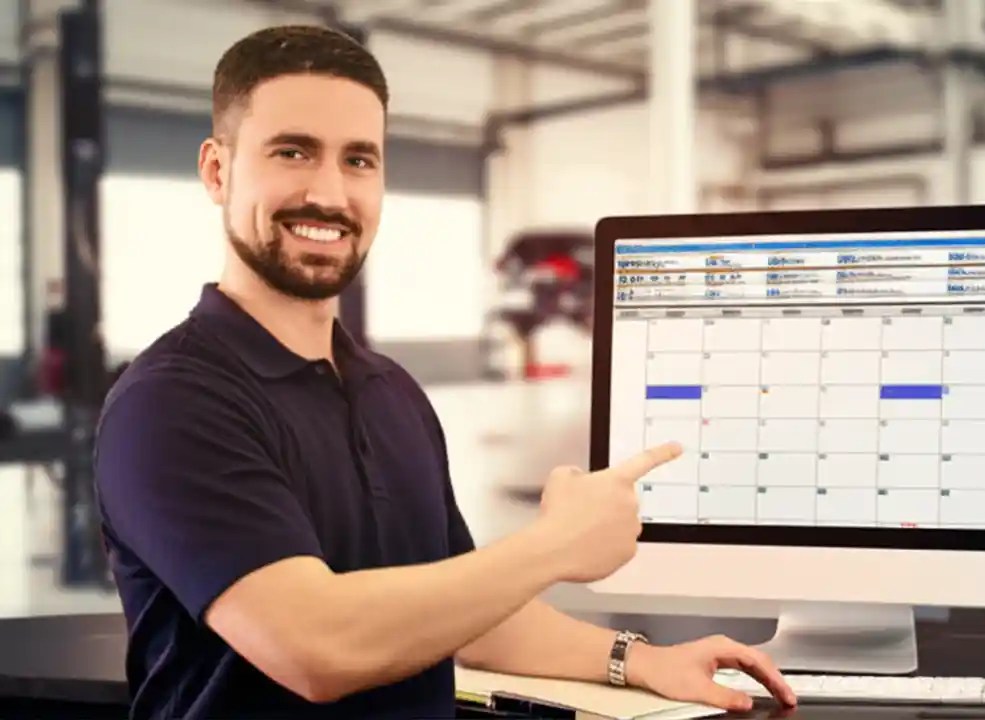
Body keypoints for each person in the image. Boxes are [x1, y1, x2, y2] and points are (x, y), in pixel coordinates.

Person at [92, 24, 796, 720]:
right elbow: (315, 646)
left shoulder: (389, 392)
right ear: (218, 171)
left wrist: (641, 660)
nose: (330, 194)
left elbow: (468, 612)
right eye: (293, 152)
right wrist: (553, 547)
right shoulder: (170, 403)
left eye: (359, 160)